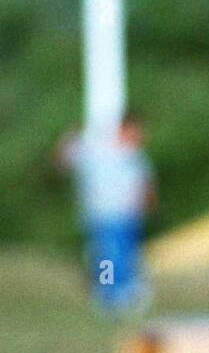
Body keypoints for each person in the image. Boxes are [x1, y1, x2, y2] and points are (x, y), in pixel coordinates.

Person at [57, 116, 155, 312]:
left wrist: (147, 205)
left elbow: (144, 185)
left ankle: (127, 290)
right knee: (107, 256)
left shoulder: (135, 156)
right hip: (103, 214)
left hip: (129, 215)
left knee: (126, 254)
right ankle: (108, 293)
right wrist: (69, 139)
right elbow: (64, 162)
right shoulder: (98, 152)